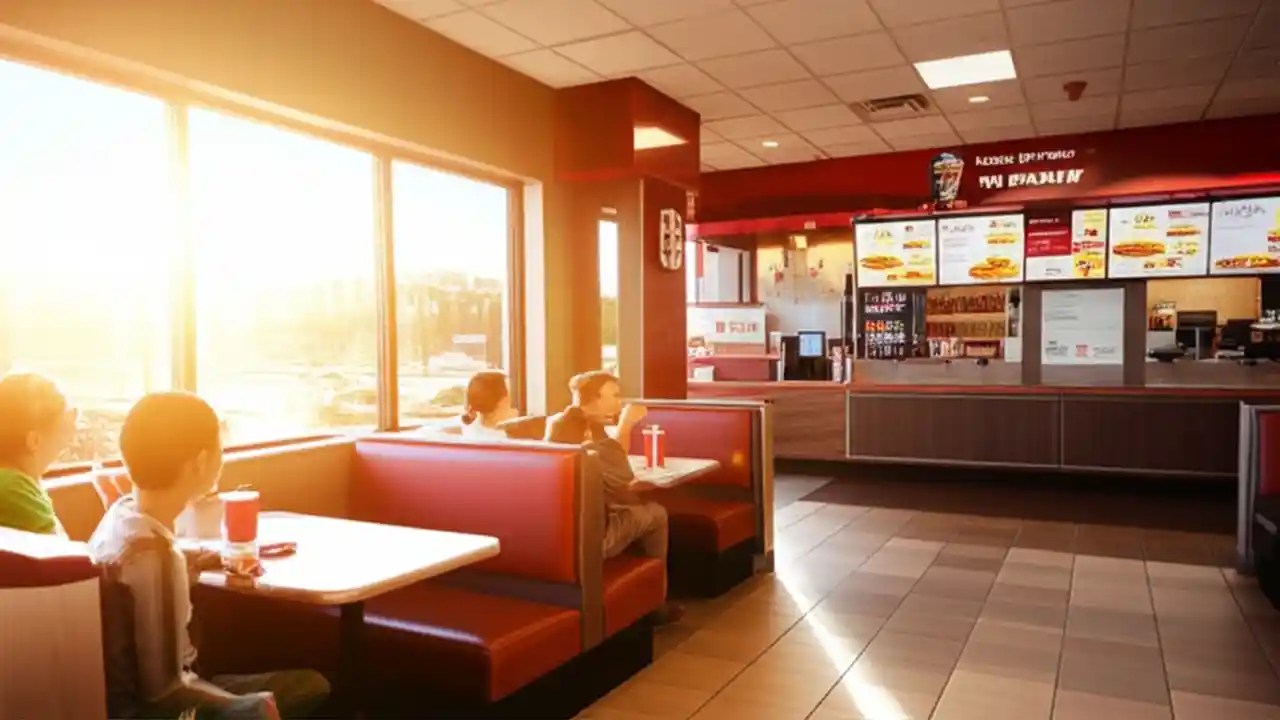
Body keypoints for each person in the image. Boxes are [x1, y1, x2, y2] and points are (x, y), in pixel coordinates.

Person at [90, 392, 330, 720]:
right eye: (220, 449)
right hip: (165, 711)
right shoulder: (156, 556)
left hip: (131, 697)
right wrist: (252, 707)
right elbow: (165, 692)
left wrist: (206, 556)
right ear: (200, 461)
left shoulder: (120, 516)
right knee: (310, 687)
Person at [548, 371, 682, 623]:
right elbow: (624, 478)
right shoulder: (585, 433)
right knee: (656, 513)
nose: (619, 402)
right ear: (594, 400)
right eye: (614, 395)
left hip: (556, 535)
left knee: (632, 508)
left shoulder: (559, 423)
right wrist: (627, 424)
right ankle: (656, 603)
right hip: (589, 540)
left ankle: (644, 590)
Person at [0, 372, 77, 536]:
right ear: (34, 441)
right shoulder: (15, 490)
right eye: (62, 427)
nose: (69, 439)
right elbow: (63, 555)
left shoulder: (17, 481)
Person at [458, 371, 519, 440]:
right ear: (501, 404)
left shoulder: (468, 432)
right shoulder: (508, 441)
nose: (518, 405)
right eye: (513, 397)